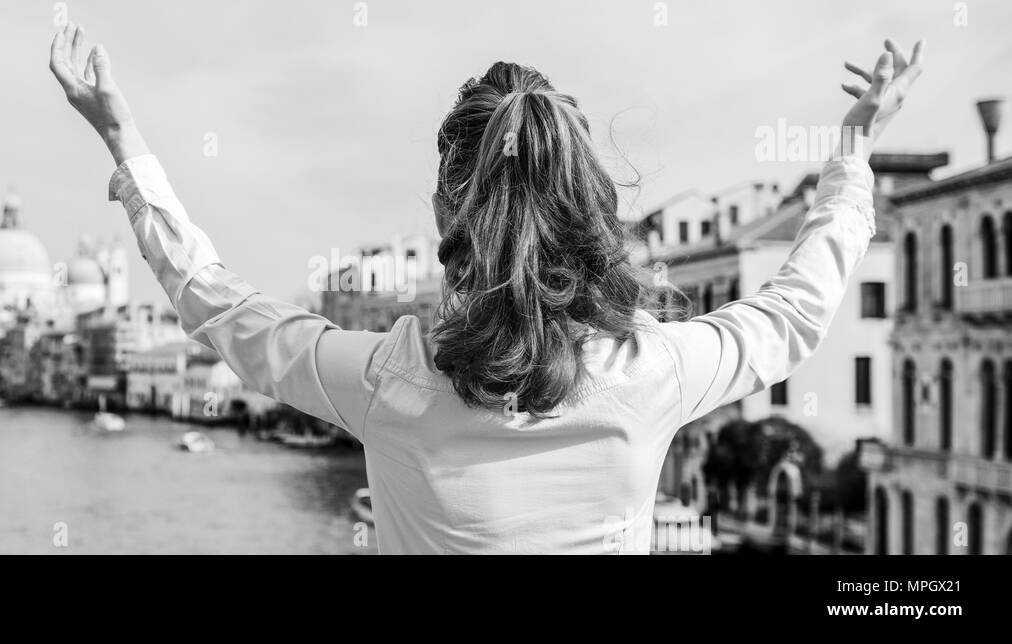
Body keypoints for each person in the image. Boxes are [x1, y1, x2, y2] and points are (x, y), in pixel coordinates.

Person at [48, 25, 923, 554]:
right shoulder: (650, 369)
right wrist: (852, 151)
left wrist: (129, 151)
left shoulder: (390, 379)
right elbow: (796, 311)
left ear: (445, 212)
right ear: (588, 207)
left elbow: (222, 306)